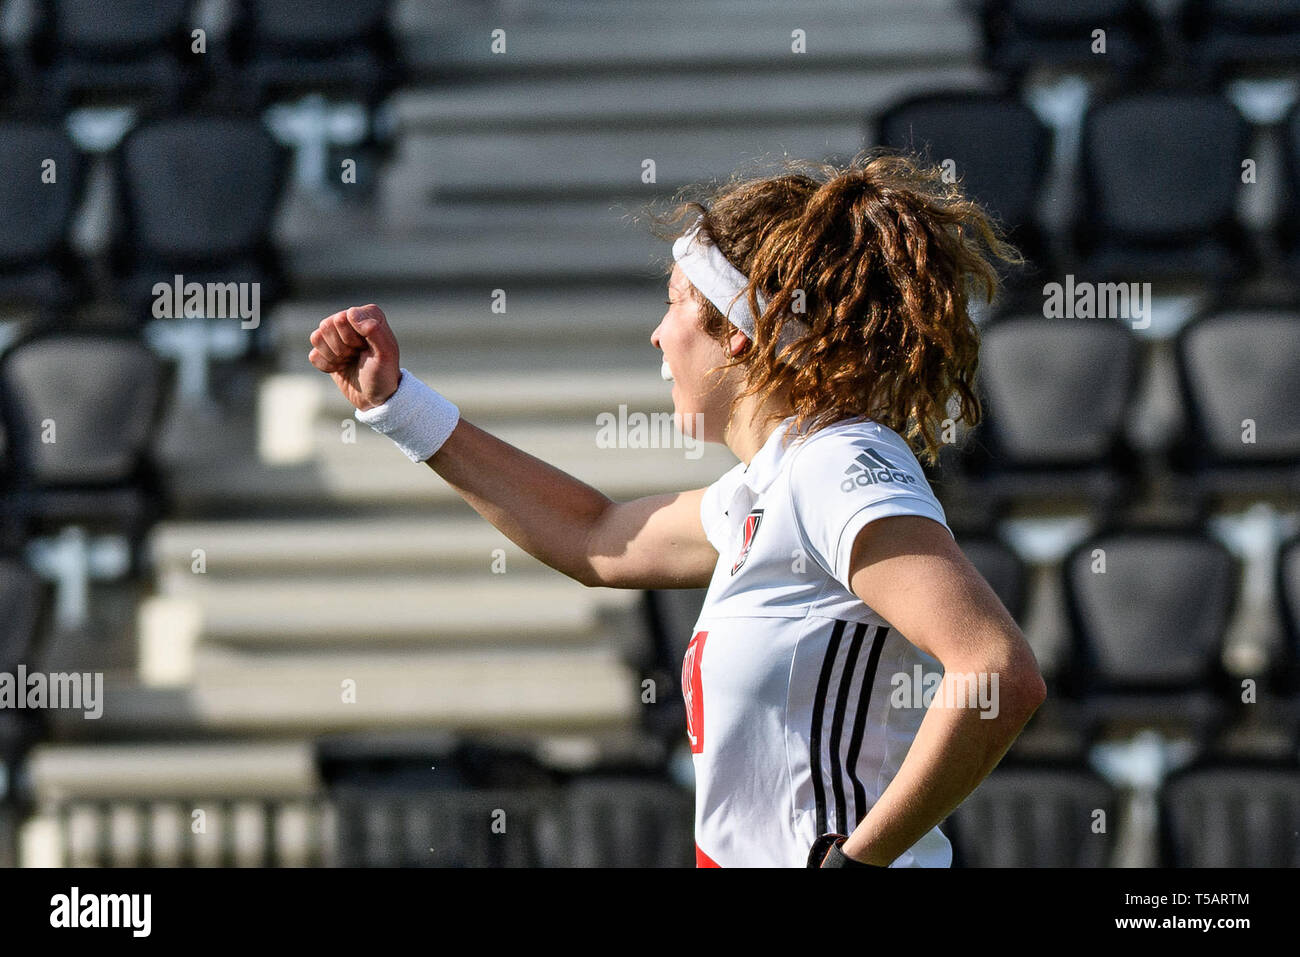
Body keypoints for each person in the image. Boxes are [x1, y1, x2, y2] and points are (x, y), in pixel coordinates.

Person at [307, 150, 1047, 868]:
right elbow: (593, 537)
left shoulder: (837, 463)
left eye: (676, 302)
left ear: (739, 329)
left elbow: (996, 669)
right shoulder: (768, 485)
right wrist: (399, 406)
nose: (658, 334)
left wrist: (861, 859)